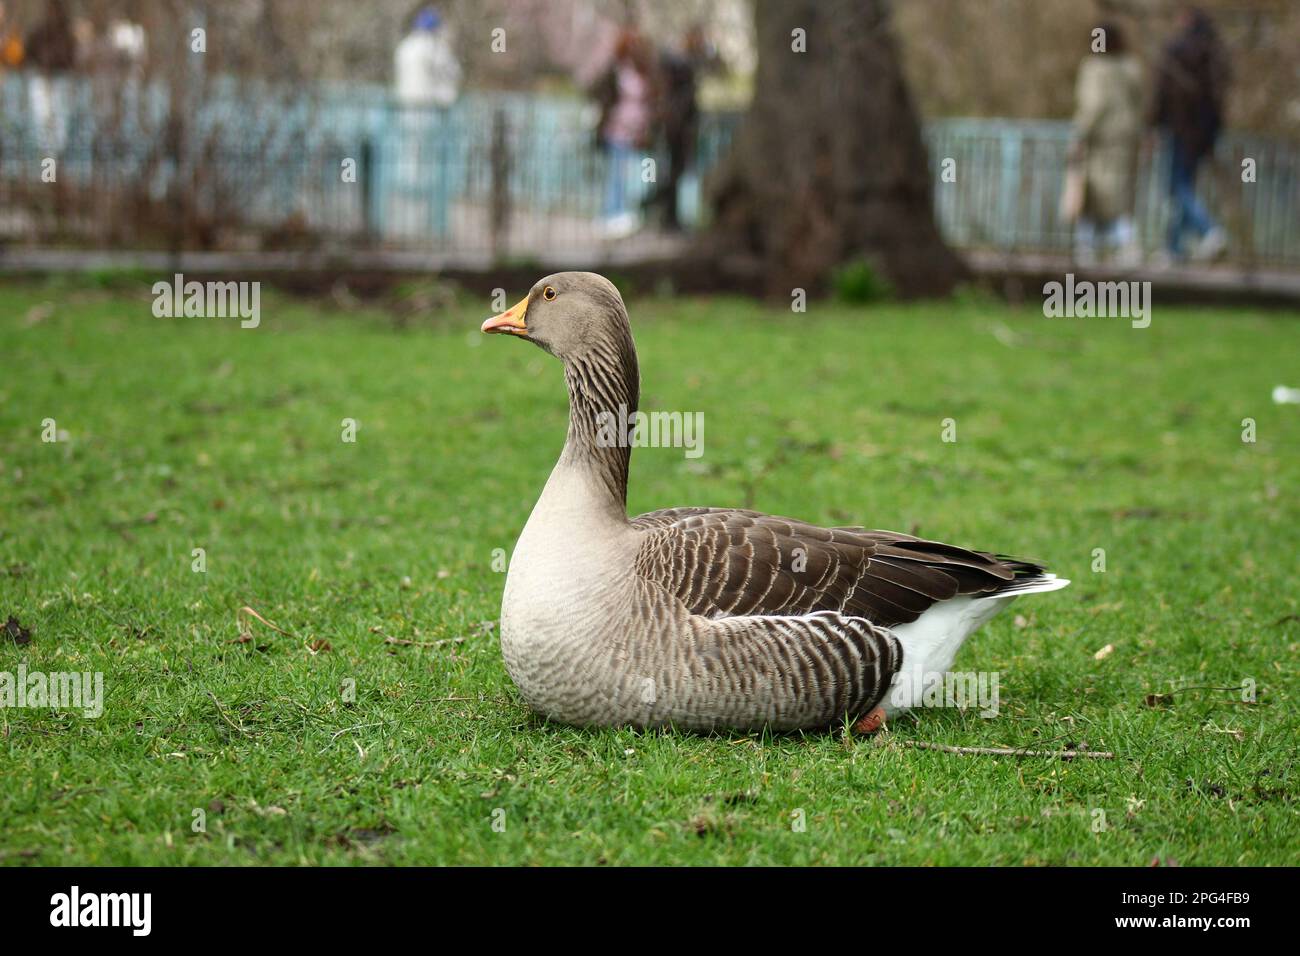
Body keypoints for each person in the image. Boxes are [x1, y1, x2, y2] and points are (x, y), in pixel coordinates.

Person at [1152, 5, 1230, 262]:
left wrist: (1153, 125)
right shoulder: (1215, 52)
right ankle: (1174, 248)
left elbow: (1162, 93)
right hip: (1204, 133)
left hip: (1180, 129)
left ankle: (1208, 229)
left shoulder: (1177, 50)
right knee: (1185, 186)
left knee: (1178, 186)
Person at [1068, 22, 1143, 266]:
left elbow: (1093, 105)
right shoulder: (1131, 68)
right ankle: (1127, 247)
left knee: (1088, 196)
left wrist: (1080, 134)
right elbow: (1138, 104)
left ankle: (1086, 248)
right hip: (1125, 141)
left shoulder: (1094, 69)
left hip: (1099, 142)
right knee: (1119, 198)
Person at [393, 7, 461, 237]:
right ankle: (427, 222)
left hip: (407, 109)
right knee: (430, 165)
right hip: (430, 112)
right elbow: (452, 72)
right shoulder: (433, 48)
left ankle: (409, 219)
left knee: (410, 160)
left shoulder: (405, 47)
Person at [592, 30, 658, 238]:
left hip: (637, 130)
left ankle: (624, 212)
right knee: (616, 172)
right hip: (618, 128)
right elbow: (604, 94)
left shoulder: (644, 71)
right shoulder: (616, 71)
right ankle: (612, 213)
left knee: (635, 174)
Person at [646, 26, 711, 231]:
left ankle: (664, 209)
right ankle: (658, 205)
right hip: (677, 124)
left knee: (678, 169)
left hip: (681, 123)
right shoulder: (679, 63)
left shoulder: (686, 64)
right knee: (674, 169)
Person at [24, 0, 76, 155]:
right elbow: (28, 53)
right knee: (42, 117)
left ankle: (54, 159)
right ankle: (47, 161)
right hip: (40, 78)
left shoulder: (66, 32)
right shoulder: (38, 31)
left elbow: (71, 56)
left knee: (59, 119)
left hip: (60, 79)